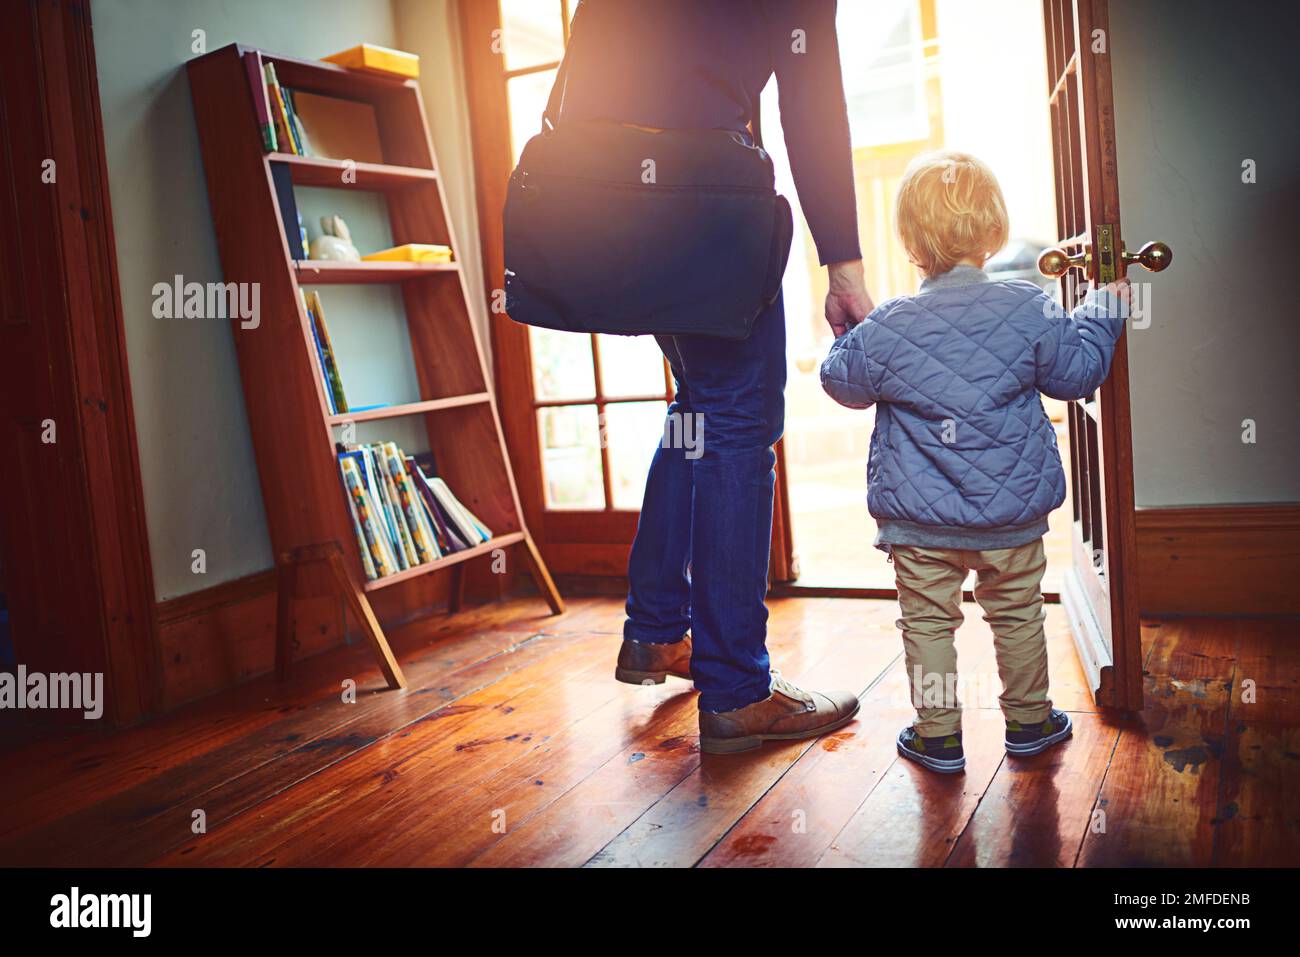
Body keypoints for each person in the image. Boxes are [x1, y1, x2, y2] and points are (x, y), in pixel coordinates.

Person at [560, 0, 874, 754]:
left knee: (701, 402)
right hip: (703, 193)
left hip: (608, 197)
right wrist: (845, 263)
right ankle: (737, 687)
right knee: (738, 416)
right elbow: (811, 101)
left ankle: (660, 631)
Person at [820, 149, 1131, 773]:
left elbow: (841, 383)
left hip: (919, 526)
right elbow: (1076, 374)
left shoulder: (890, 324)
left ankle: (937, 736)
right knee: (1017, 614)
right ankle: (1030, 722)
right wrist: (1103, 308)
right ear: (994, 234)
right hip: (1007, 518)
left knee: (928, 625)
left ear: (910, 245)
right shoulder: (1028, 307)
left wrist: (849, 334)